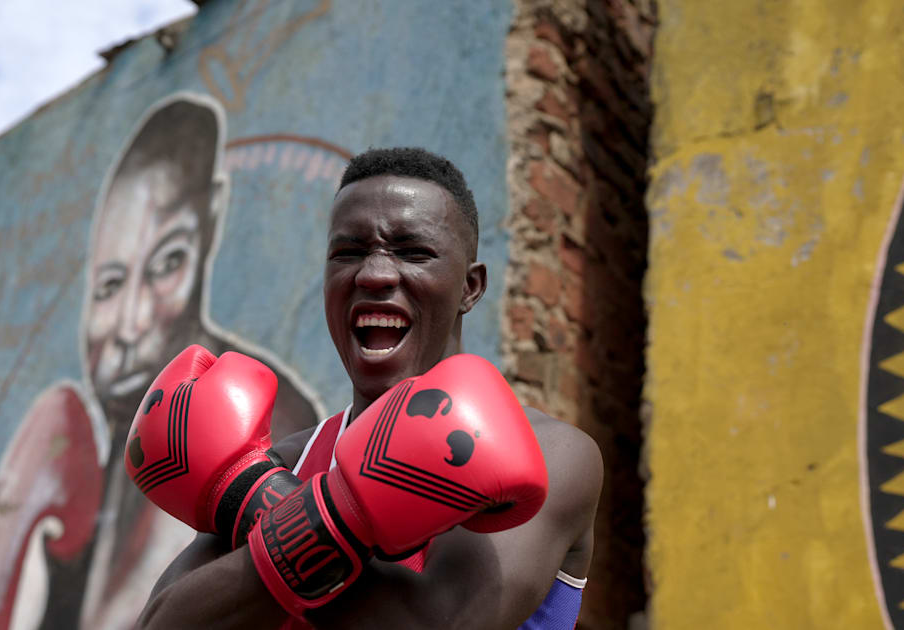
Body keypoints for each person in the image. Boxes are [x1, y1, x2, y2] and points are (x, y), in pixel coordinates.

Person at [134, 147, 604, 629]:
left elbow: (442, 622)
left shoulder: (551, 454)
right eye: (349, 252)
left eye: (413, 251)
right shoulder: (283, 461)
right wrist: (257, 492)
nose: (374, 273)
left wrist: (263, 506)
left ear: (470, 287)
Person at [0, 93, 319, 630]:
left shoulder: (271, 423)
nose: (131, 326)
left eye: (166, 264)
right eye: (109, 286)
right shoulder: (110, 443)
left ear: (212, 223)